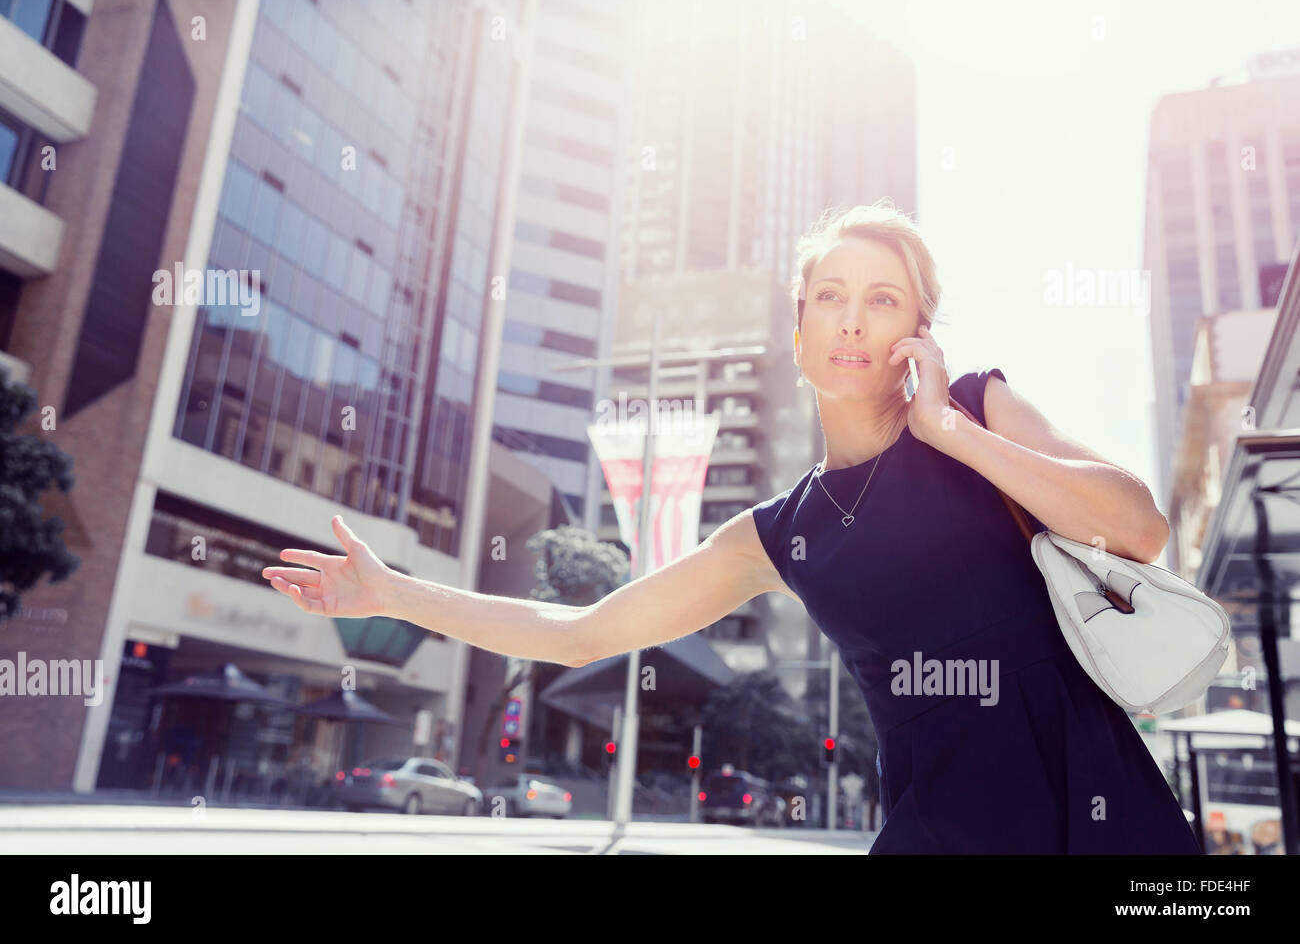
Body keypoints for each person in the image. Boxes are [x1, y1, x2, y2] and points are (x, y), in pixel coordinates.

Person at [260, 199, 1203, 854]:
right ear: (796, 336)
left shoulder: (974, 409)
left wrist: (953, 435)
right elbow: (581, 632)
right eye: (830, 296)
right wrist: (390, 595)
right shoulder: (779, 535)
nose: (852, 320)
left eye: (883, 300)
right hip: (942, 830)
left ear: (918, 327)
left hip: (1099, 806)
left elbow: (1140, 527)